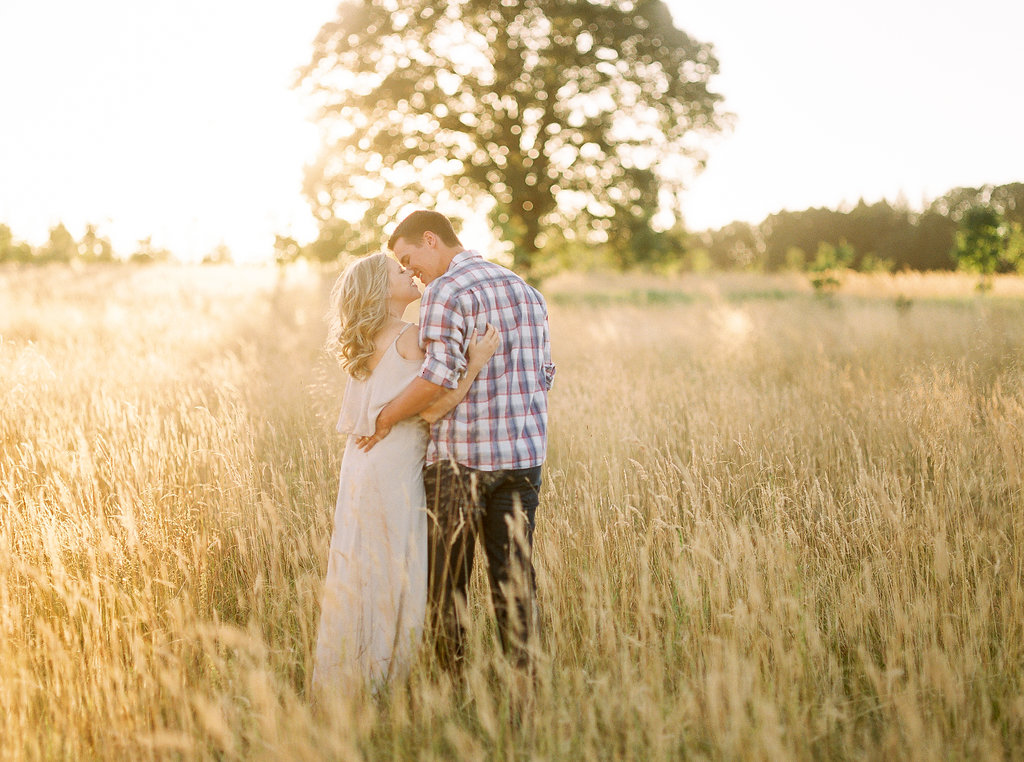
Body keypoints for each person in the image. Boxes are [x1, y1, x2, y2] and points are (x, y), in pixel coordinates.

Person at [358, 210, 555, 672]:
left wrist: (383, 417)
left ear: (431, 239)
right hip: (523, 460)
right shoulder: (527, 291)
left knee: (447, 588)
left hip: (460, 464)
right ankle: (525, 702)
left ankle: (449, 693)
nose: (413, 272)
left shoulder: (447, 291)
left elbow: (435, 382)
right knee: (516, 586)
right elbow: (544, 377)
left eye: (410, 258)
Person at [312, 252, 498, 693]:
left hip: (360, 463)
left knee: (360, 562)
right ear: (382, 288)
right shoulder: (411, 337)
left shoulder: (362, 340)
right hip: (395, 464)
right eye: (400, 272)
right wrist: (475, 362)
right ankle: (385, 678)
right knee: (398, 566)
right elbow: (435, 406)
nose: (410, 274)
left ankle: (352, 672)